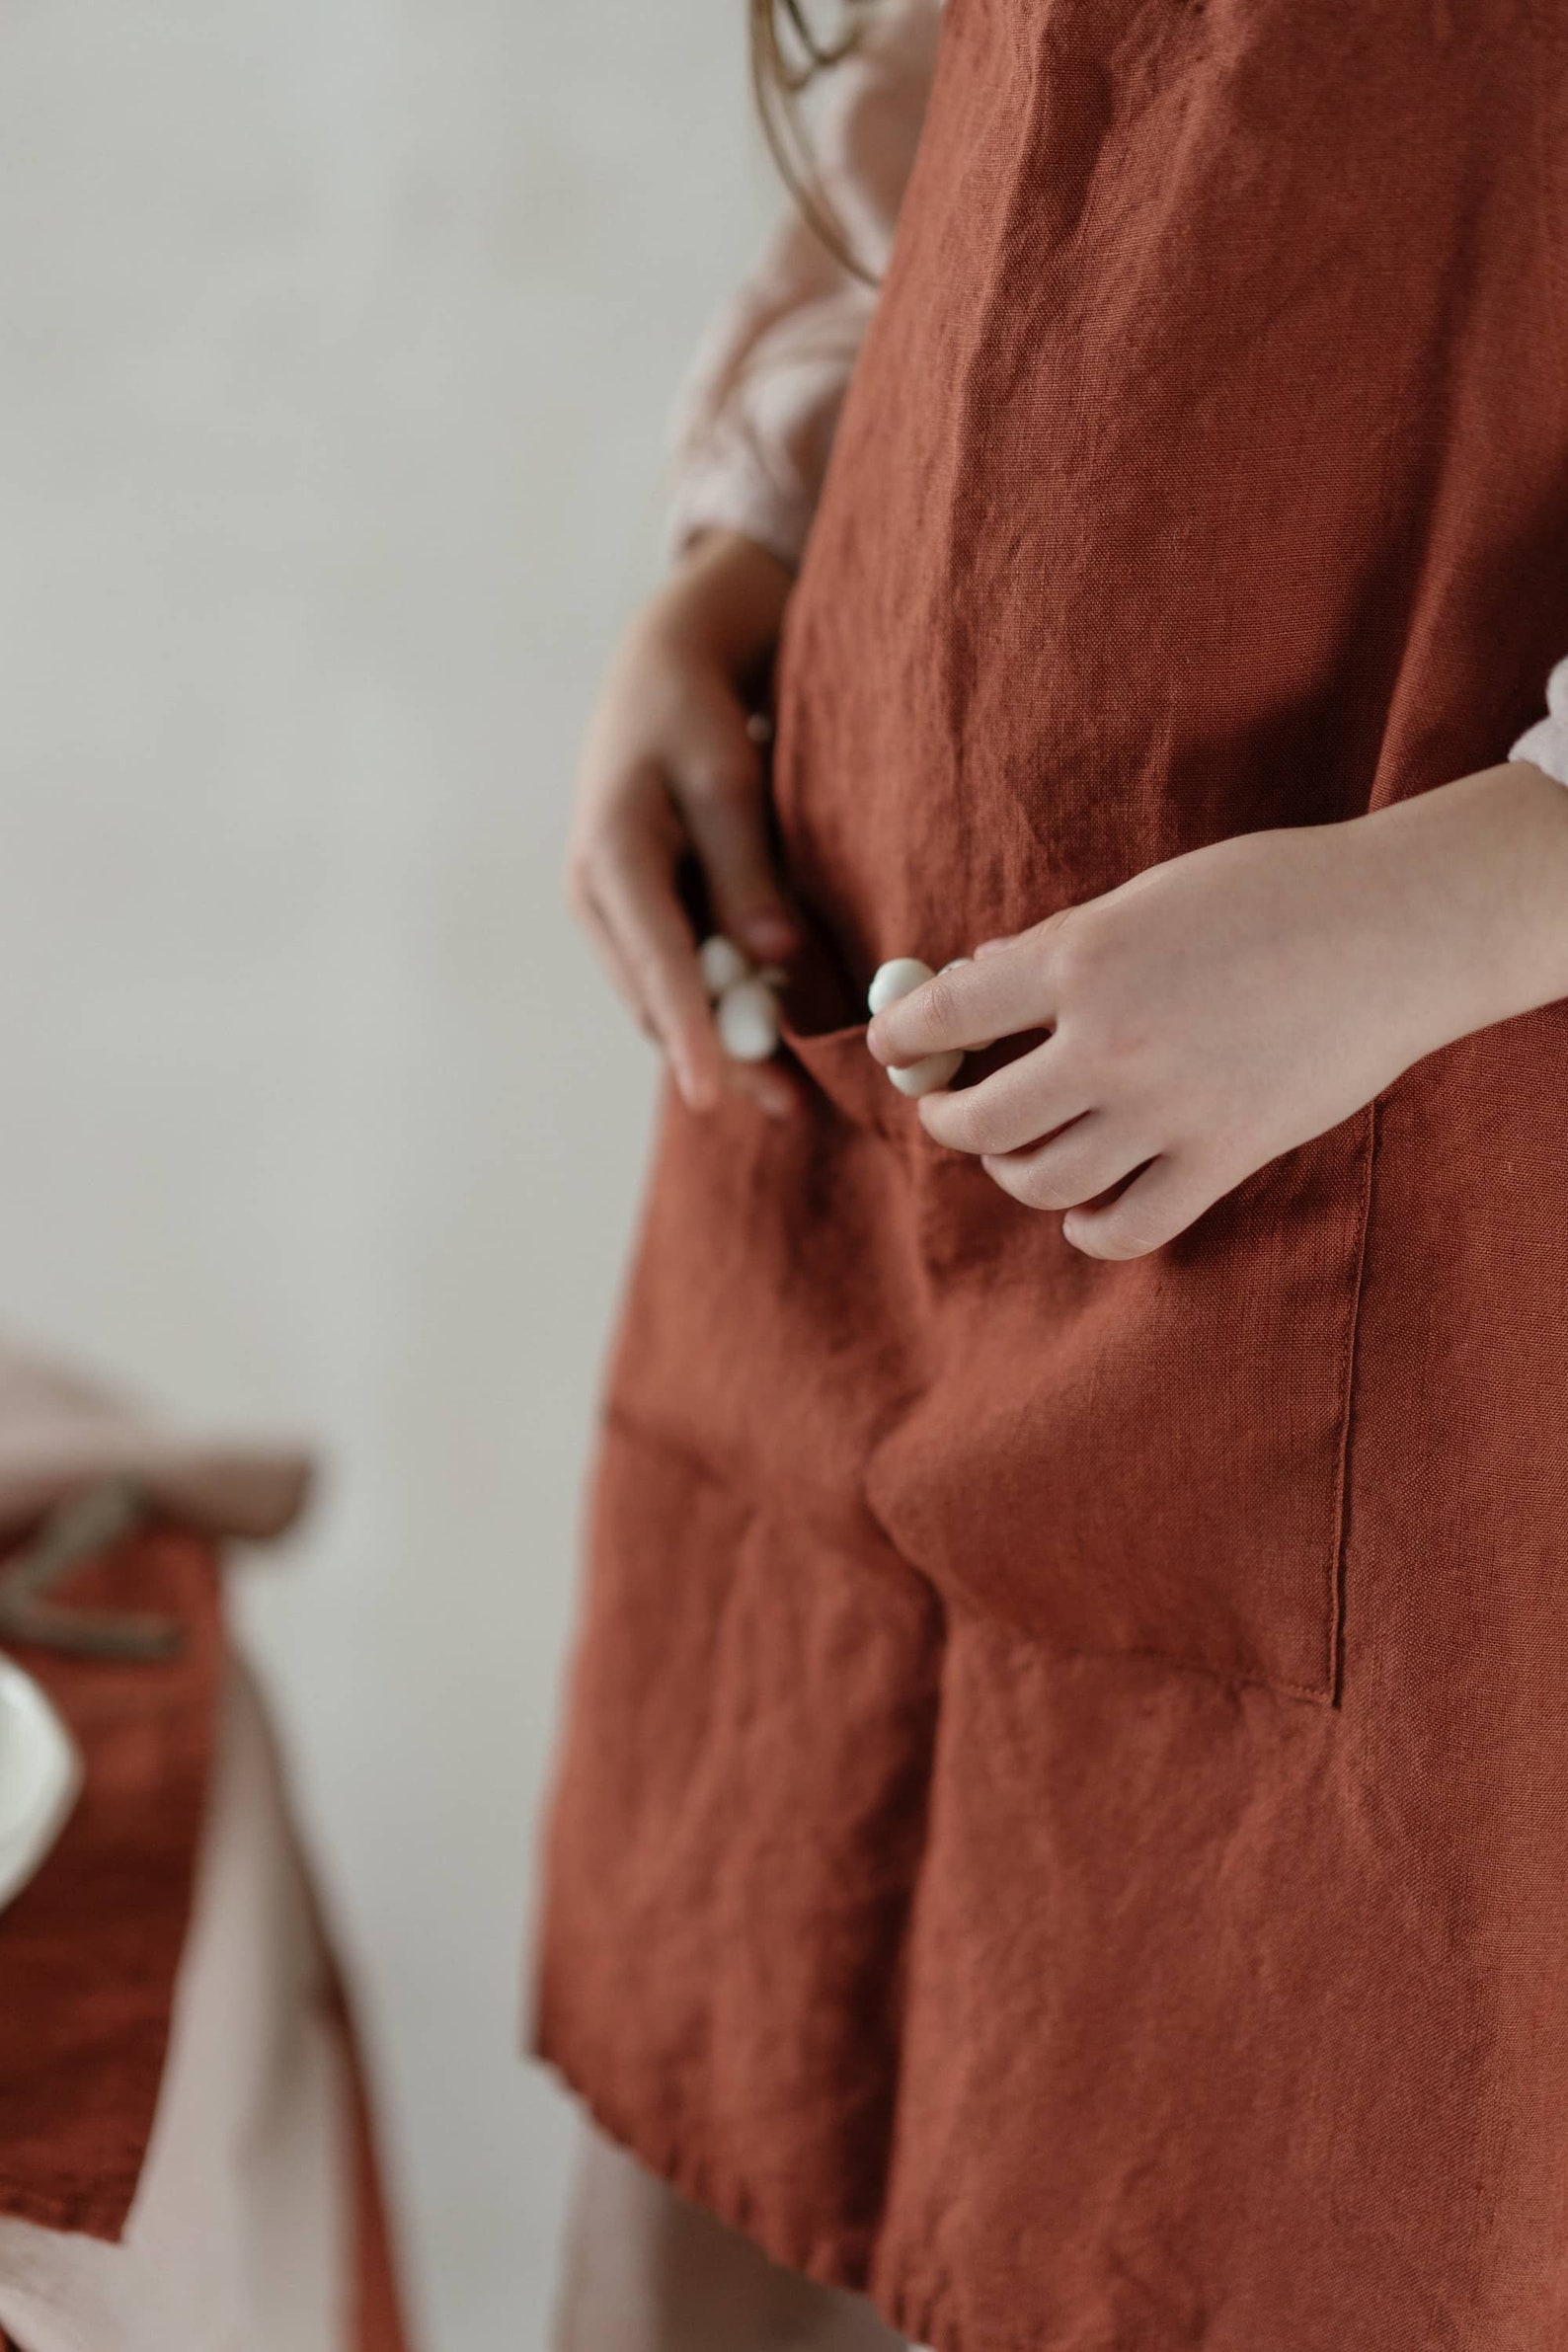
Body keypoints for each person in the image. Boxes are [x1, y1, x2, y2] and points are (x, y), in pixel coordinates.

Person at [539, 3, 1568, 2346]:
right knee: (760, 2018)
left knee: (1288, 2161)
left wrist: (1486, 883)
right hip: (840, 1086)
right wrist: (730, 567)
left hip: (1440, 1157)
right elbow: (922, 94)